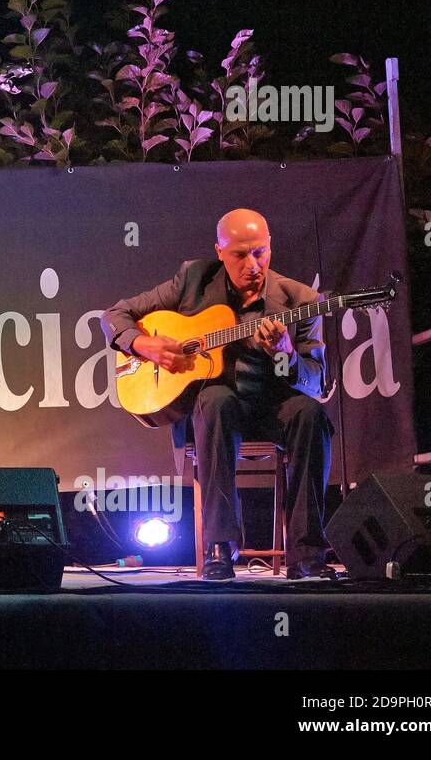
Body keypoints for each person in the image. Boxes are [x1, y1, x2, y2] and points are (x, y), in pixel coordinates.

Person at [99, 208, 336, 581]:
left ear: (270, 247)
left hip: (274, 404)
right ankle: (220, 547)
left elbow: (316, 381)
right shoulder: (194, 278)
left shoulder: (301, 300)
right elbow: (115, 315)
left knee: (310, 414)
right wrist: (144, 345)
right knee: (215, 401)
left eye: (260, 252)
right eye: (240, 255)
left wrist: (287, 353)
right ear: (220, 251)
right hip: (220, 409)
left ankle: (307, 553)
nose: (252, 265)